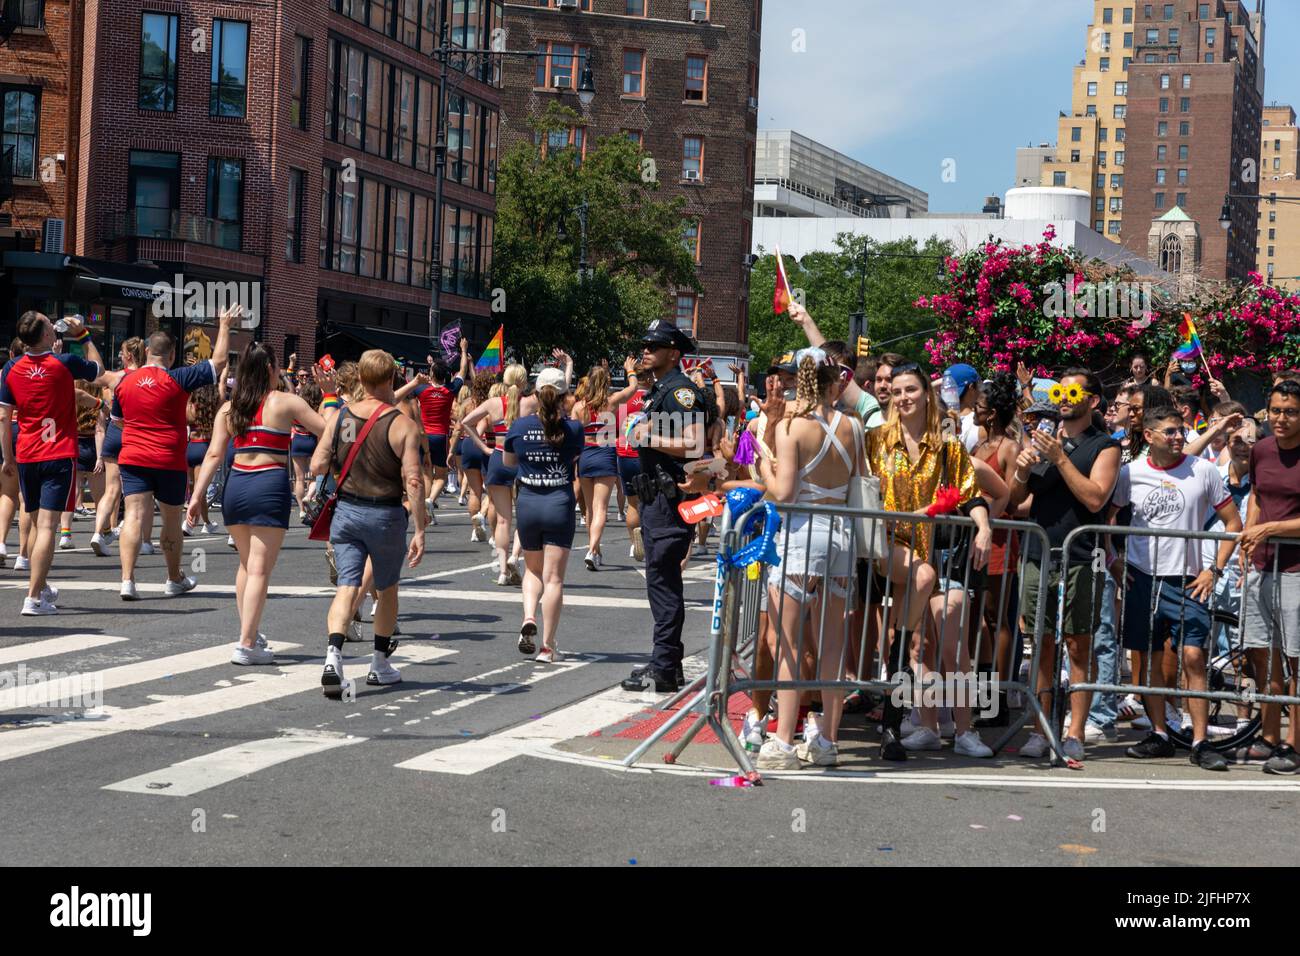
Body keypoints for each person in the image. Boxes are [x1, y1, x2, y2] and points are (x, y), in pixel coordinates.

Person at [868, 361, 995, 761]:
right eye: (898, 390)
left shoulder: (947, 444)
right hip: (888, 546)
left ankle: (961, 730)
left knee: (949, 644)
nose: (904, 397)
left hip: (940, 553)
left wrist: (984, 527)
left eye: (912, 390)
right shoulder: (875, 440)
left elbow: (970, 492)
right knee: (921, 587)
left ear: (927, 394)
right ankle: (914, 715)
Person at [751, 348, 867, 770]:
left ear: (800, 379)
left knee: (789, 643)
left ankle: (783, 741)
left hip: (801, 535)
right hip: (841, 535)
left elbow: (783, 494)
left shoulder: (792, 428)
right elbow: (861, 481)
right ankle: (828, 742)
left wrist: (765, 465)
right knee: (834, 647)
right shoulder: (854, 427)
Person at [1112, 406, 1242, 771]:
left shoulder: (1202, 470)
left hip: (1189, 581)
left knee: (1194, 657)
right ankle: (1159, 734)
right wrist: (1114, 561)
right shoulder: (1129, 473)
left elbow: (1233, 522)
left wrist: (1213, 570)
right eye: (1169, 431)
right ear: (1150, 436)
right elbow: (1105, 520)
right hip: (1143, 579)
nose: (1178, 437)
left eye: (1180, 430)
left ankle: (1200, 741)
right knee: (1150, 659)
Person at [187, 343, 327, 663]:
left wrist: (196, 497)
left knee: (247, 566)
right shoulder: (286, 402)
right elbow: (328, 430)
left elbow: (213, 455)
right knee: (260, 570)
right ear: (270, 369)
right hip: (268, 484)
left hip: (236, 486)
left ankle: (249, 633)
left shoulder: (229, 408)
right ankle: (247, 642)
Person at [1008, 367, 1120, 761]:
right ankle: (1040, 729)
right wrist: (1021, 470)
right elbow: (1017, 503)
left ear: (1092, 401)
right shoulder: (1044, 438)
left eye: (1074, 393)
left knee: (1077, 645)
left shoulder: (1104, 446)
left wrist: (1060, 457)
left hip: (1079, 556)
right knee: (1040, 646)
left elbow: (1095, 498)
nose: (1065, 399)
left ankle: (1074, 734)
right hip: (1039, 553)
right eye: (1061, 392)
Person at [312, 349, 426, 697]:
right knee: (388, 587)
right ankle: (379, 663)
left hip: (346, 511)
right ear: (392, 379)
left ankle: (333, 655)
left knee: (347, 585)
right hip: (386, 514)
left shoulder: (342, 417)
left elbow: (317, 465)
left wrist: (338, 468)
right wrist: (420, 527)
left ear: (360, 379)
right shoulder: (402, 424)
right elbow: (415, 481)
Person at [114, 307, 235, 600]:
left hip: (132, 457)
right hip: (167, 458)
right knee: (171, 520)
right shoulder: (178, 378)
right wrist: (224, 326)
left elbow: (117, 421)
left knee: (133, 516)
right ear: (171, 356)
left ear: (144, 351)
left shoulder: (124, 383)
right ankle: (173, 577)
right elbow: (218, 362)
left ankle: (127, 581)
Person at [620, 320, 706, 693]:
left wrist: (648, 437)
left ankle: (665, 666)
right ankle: (667, 661)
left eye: (654, 347)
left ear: (673, 353)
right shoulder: (662, 389)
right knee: (662, 581)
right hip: (657, 497)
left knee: (663, 583)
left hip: (670, 501)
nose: (646, 351)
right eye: (645, 345)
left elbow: (694, 443)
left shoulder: (681, 392)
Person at [0, 313, 105, 615]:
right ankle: (33, 597)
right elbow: (97, 370)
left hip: (28, 453)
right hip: (57, 452)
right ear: (47, 335)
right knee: (47, 525)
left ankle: (40, 585)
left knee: (33, 521)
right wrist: (83, 335)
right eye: (50, 324)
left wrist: (8, 456)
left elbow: (5, 417)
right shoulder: (63, 364)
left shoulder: (11, 368)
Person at [1237, 378, 1300, 775]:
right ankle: (1269, 736)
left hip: (1297, 570)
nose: (1281, 418)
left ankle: (1294, 746)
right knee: (1266, 657)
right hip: (1263, 565)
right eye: (1275, 410)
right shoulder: (1260, 449)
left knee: (1297, 660)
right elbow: (1258, 498)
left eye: (1290, 412)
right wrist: (1250, 536)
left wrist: (1268, 531)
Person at [504, 366, 585, 662]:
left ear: (536, 394)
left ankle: (529, 616)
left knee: (533, 571)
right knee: (553, 579)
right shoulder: (574, 428)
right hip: (558, 502)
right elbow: (574, 456)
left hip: (527, 502)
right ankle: (548, 647)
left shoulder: (520, 425)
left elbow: (508, 462)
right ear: (564, 396)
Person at [572, 360, 640, 570]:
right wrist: (630, 370)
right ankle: (592, 549)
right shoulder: (611, 402)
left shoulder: (578, 407)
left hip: (585, 455)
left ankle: (596, 550)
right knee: (601, 507)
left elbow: (574, 436)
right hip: (605, 454)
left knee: (591, 508)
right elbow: (634, 388)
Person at [463, 364, 527, 586]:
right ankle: (514, 556)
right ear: (523, 382)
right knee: (525, 517)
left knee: (502, 520)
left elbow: (465, 423)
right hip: (521, 461)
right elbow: (559, 390)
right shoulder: (528, 403)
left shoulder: (493, 404)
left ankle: (502, 571)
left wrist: (484, 448)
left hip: (498, 459)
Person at [89, 337, 147, 557]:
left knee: (111, 489)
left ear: (129, 355)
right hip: (134, 432)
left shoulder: (117, 377)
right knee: (138, 490)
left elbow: (94, 375)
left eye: (122, 353)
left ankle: (97, 533)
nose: (120, 356)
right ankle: (138, 536)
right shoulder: (147, 376)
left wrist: (87, 341)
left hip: (114, 431)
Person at [458, 371, 495, 544]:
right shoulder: (492, 404)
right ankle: (482, 515)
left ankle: (475, 530)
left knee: (474, 491)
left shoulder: (466, 404)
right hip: (488, 445)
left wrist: (452, 450)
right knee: (493, 489)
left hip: (467, 445)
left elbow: (459, 428)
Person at [183, 384, 221, 535]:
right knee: (199, 492)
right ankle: (189, 523)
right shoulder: (213, 410)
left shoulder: (191, 408)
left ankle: (207, 523)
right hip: (204, 447)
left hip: (190, 447)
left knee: (194, 489)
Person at [289, 378, 323, 521]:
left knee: (299, 478)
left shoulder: (299, 405)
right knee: (316, 474)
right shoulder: (319, 407)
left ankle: (302, 510)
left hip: (298, 439)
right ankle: (310, 497)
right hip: (313, 439)